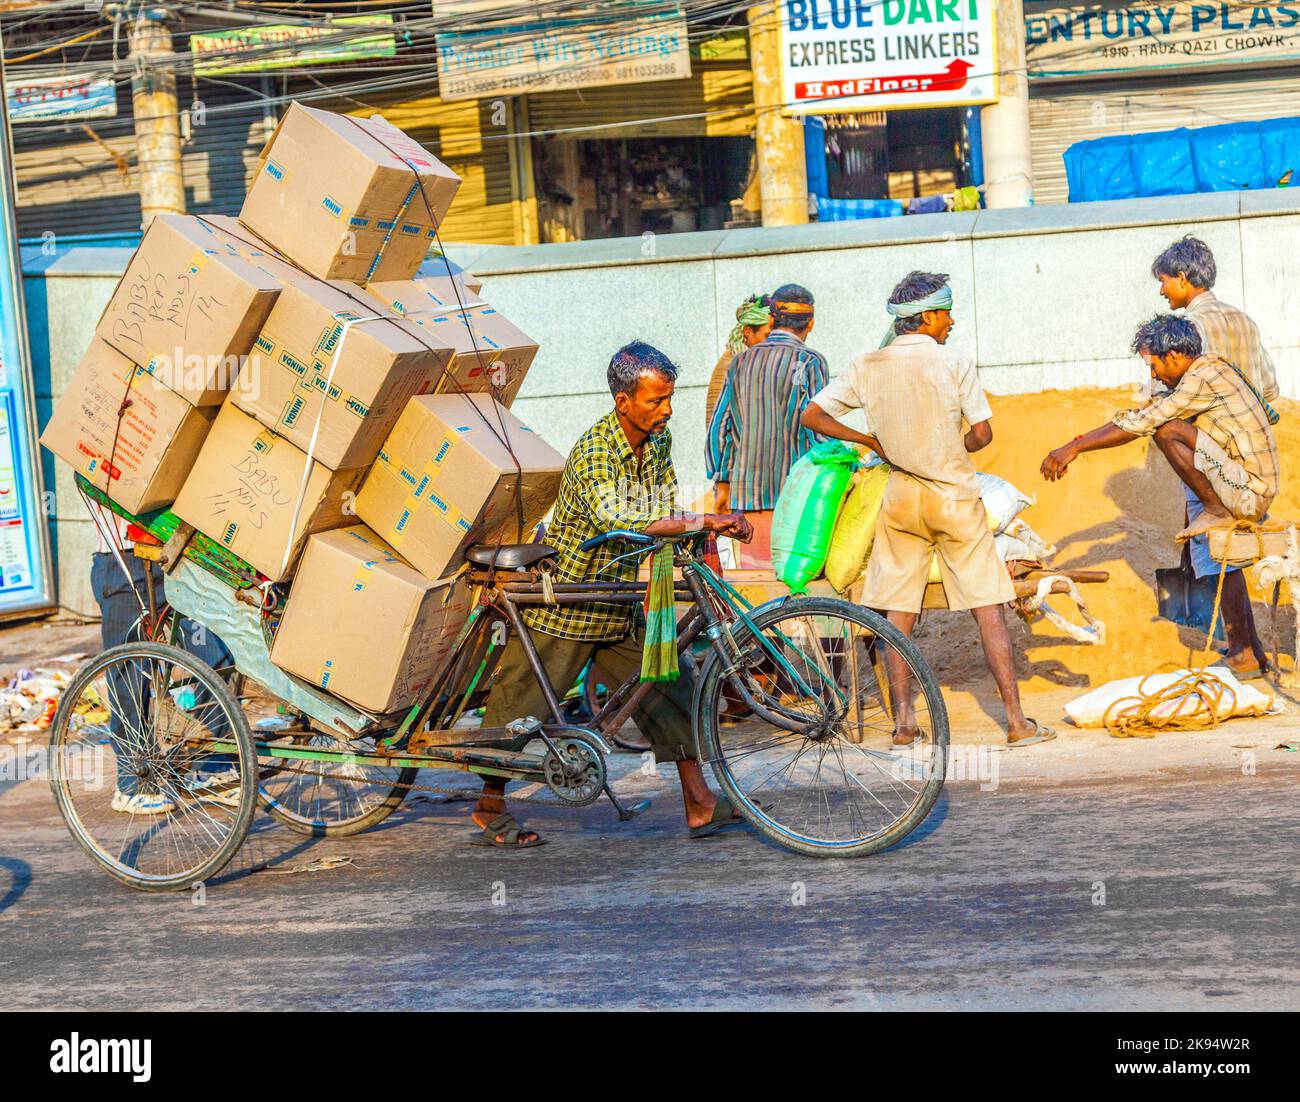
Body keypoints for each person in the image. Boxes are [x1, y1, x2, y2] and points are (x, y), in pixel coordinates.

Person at [472, 341, 754, 848]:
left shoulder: (658, 441)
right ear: (623, 400)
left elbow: (665, 508)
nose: (666, 410)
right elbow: (624, 522)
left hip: (620, 598)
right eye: (655, 400)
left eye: (669, 399)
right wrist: (707, 518)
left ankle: (699, 802)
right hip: (572, 602)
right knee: (522, 708)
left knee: (669, 687)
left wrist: (699, 531)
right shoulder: (596, 450)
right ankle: (489, 803)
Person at [801, 271, 1053, 747]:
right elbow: (983, 435)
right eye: (948, 312)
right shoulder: (953, 361)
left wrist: (868, 438)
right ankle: (1018, 724)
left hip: (900, 499)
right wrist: (951, 443)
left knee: (898, 612)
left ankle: (903, 724)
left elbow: (812, 414)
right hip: (954, 497)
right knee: (988, 607)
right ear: (930, 316)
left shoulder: (867, 364)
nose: (952, 321)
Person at [1041, 315, 1279, 677]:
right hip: (1245, 483)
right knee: (1221, 560)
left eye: (1154, 366)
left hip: (1247, 491)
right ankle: (1248, 651)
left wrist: (1072, 449)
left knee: (1167, 433)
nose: (1153, 375)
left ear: (1174, 356)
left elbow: (1144, 423)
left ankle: (1242, 650)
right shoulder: (1206, 372)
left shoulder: (1203, 377)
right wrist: (1078, 444)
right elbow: (1141, 413)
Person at [1152, 234, 1278, 666]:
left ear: (1184, 279)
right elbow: (1270, 388)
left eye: (1165, 281)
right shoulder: (1243, 320)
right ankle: (1252, 647)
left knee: (1217, 549)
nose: (1162, 290)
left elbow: (1165, 404)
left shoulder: (1189, 331)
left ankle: (1242, 650)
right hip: (1251, 455)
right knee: (1232, 548)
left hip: (1208, 453)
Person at [88, 505, 240, 814]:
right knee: (130, 678)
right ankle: (133, 782)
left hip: (181, 555)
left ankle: (211, 766)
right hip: (124, 561)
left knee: (218, 658)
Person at [706, 283, 827, 569]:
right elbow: (819, 432)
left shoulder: (740, 362)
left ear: (771, 320)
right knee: (793, 583)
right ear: (810, 323)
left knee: (759, 590)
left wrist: (722, 479)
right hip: (796, 495)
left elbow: (718, 429)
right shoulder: (811, 362)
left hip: (746, 496)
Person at [704, 293, 772, 430]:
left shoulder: (749, 361)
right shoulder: (732, 365)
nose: (773, 342)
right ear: (747, 332)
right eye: (768, 336)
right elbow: (717, 428)